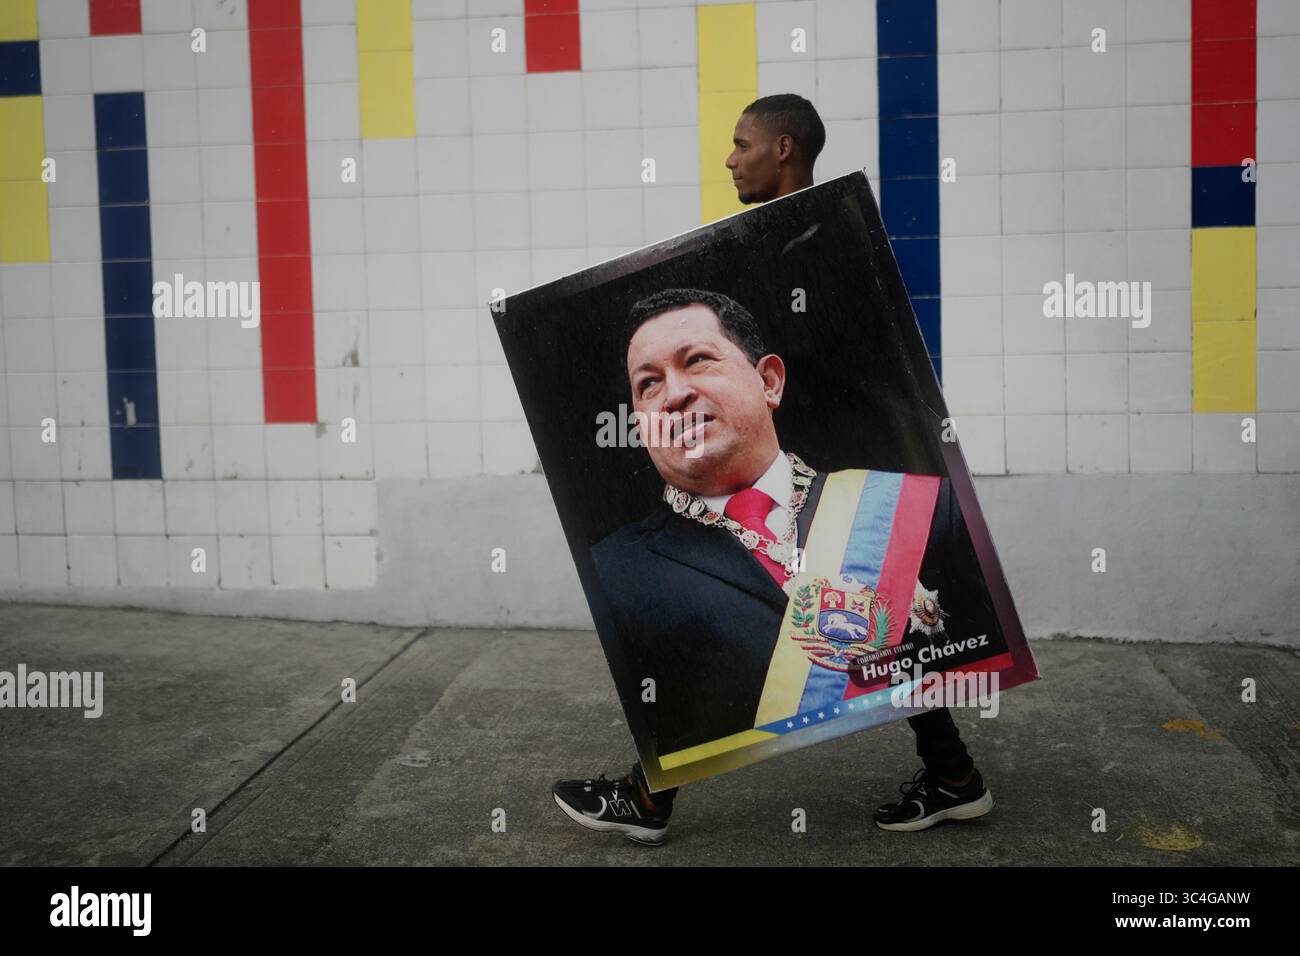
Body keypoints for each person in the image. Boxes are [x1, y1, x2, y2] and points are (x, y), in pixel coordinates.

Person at [550, 95, 993, 844]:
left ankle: (650, 800)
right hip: (779, 470)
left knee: (888, 617)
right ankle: (951, 773)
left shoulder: (821, 242)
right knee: (863, 622)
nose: (730, 158)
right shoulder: (779, 243)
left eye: (741, 144)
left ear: (783, 148)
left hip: (834, 476)